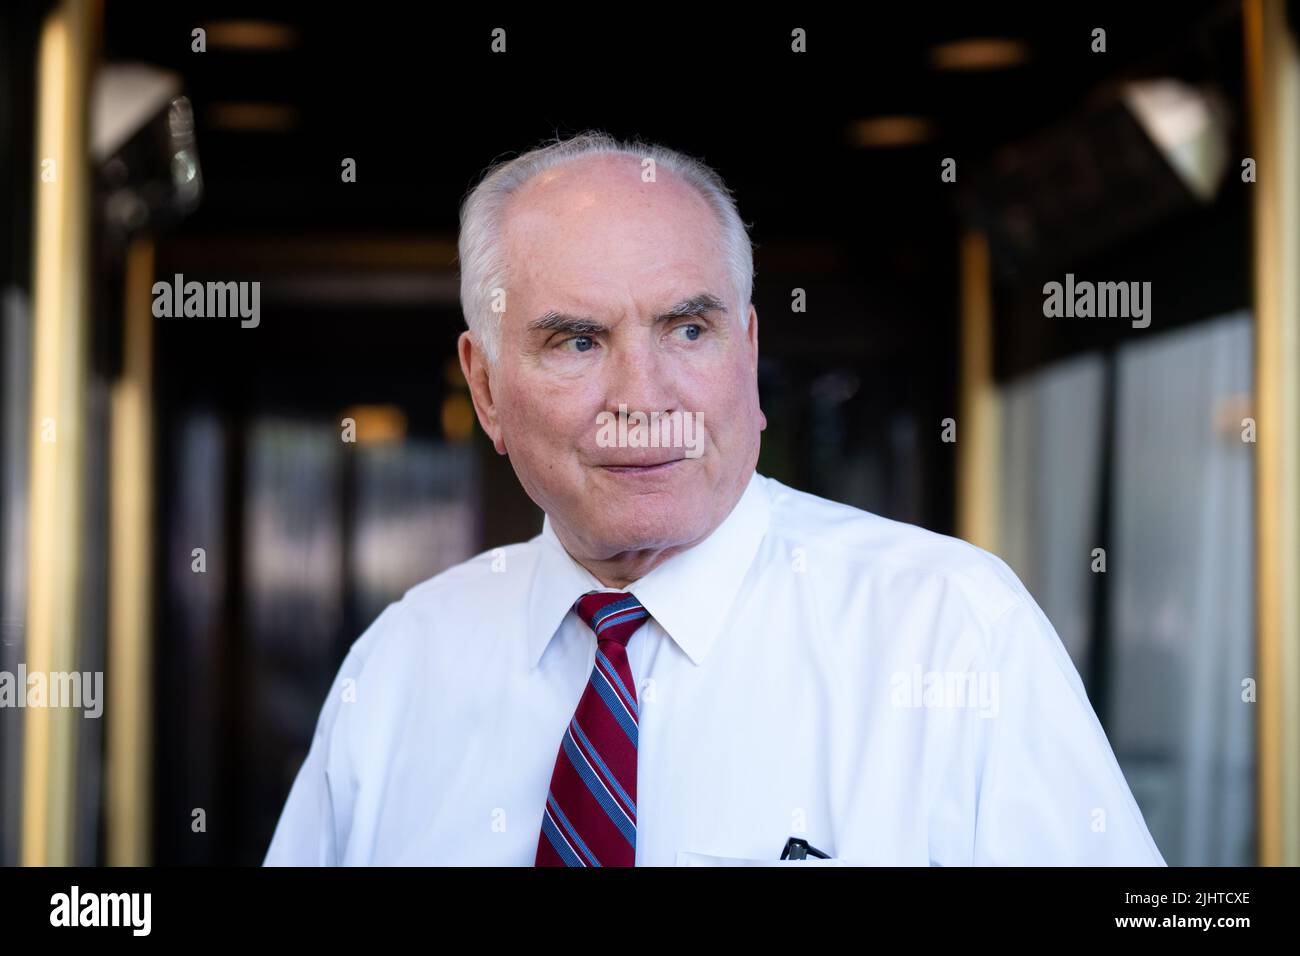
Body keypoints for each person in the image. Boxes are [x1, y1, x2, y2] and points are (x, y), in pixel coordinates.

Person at [263, 130, 1165, 866]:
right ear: (486, 387)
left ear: (748, 351)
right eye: (577, 341)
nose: (643, 397)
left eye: (688, 329)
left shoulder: (954, 631)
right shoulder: (396, 671)